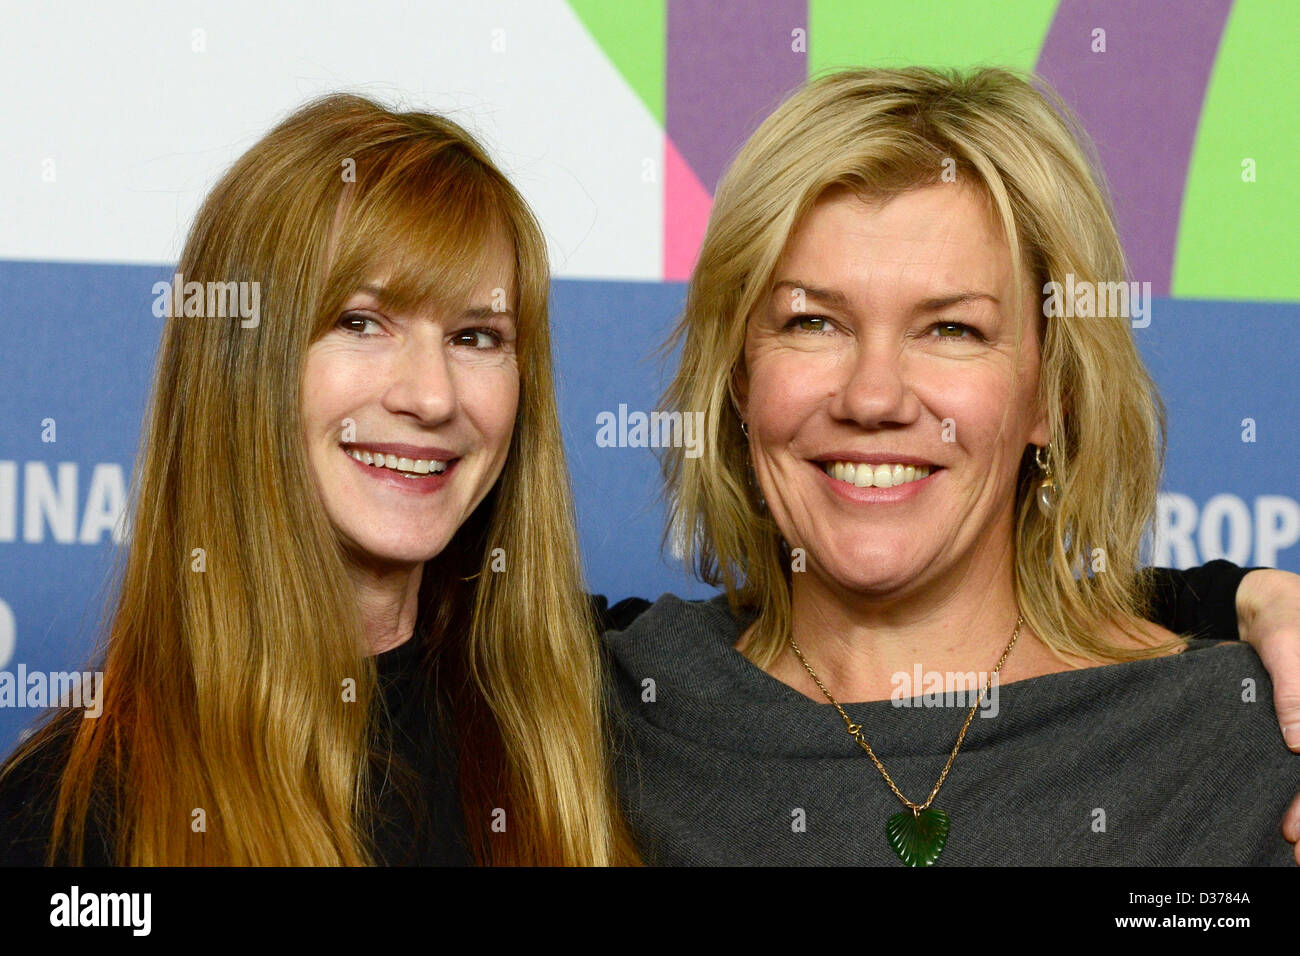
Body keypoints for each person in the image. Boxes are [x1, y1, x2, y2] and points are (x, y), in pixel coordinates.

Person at [605, 67, 1300, 865]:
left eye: (952, 330)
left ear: (1052, 392)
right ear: (739, 378)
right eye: (814, 322)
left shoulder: (1243, 741)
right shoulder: (598, 713)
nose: (873, 397)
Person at [0, 93, 637, 865]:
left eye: (476, 336)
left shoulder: (613, 712)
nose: (431, 396)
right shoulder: (66, 823)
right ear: (237, 365)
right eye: (361, 322)